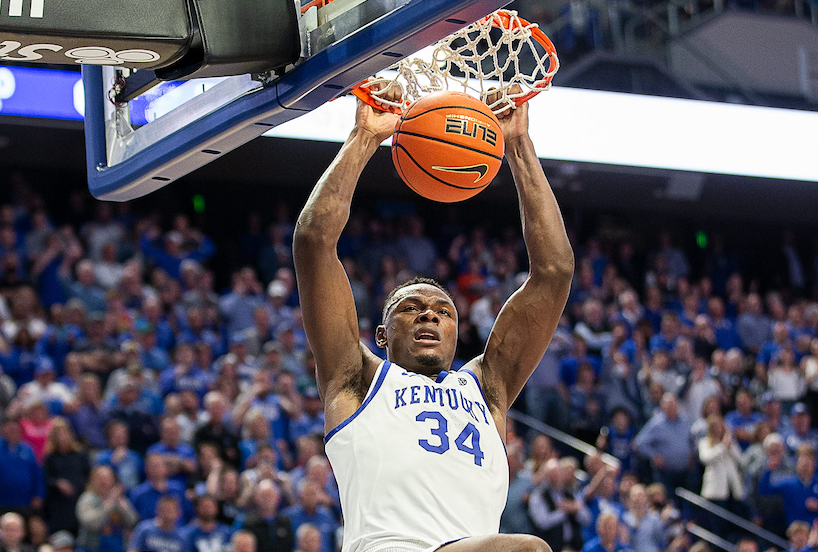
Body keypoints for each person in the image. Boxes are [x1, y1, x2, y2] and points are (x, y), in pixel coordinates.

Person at [292, 83, 574, 552]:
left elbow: (555, 271)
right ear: (381, 335)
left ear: (456, 332)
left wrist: (519, 145)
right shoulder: (357, 378)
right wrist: (364, 137)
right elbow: (313, 241)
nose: (429, 313)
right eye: (411, 307)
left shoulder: (485, 389)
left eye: (444, 311)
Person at [76, 465, 139, 552]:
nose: (104, 482)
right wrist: (110, 502)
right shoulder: (87, 499)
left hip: (116, 547)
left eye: (107, 478)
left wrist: (122, 505)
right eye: (100, 478)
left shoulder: (119, 499)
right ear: (93, 481)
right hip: (90, 548)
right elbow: (91, 523)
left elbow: (132, 521)